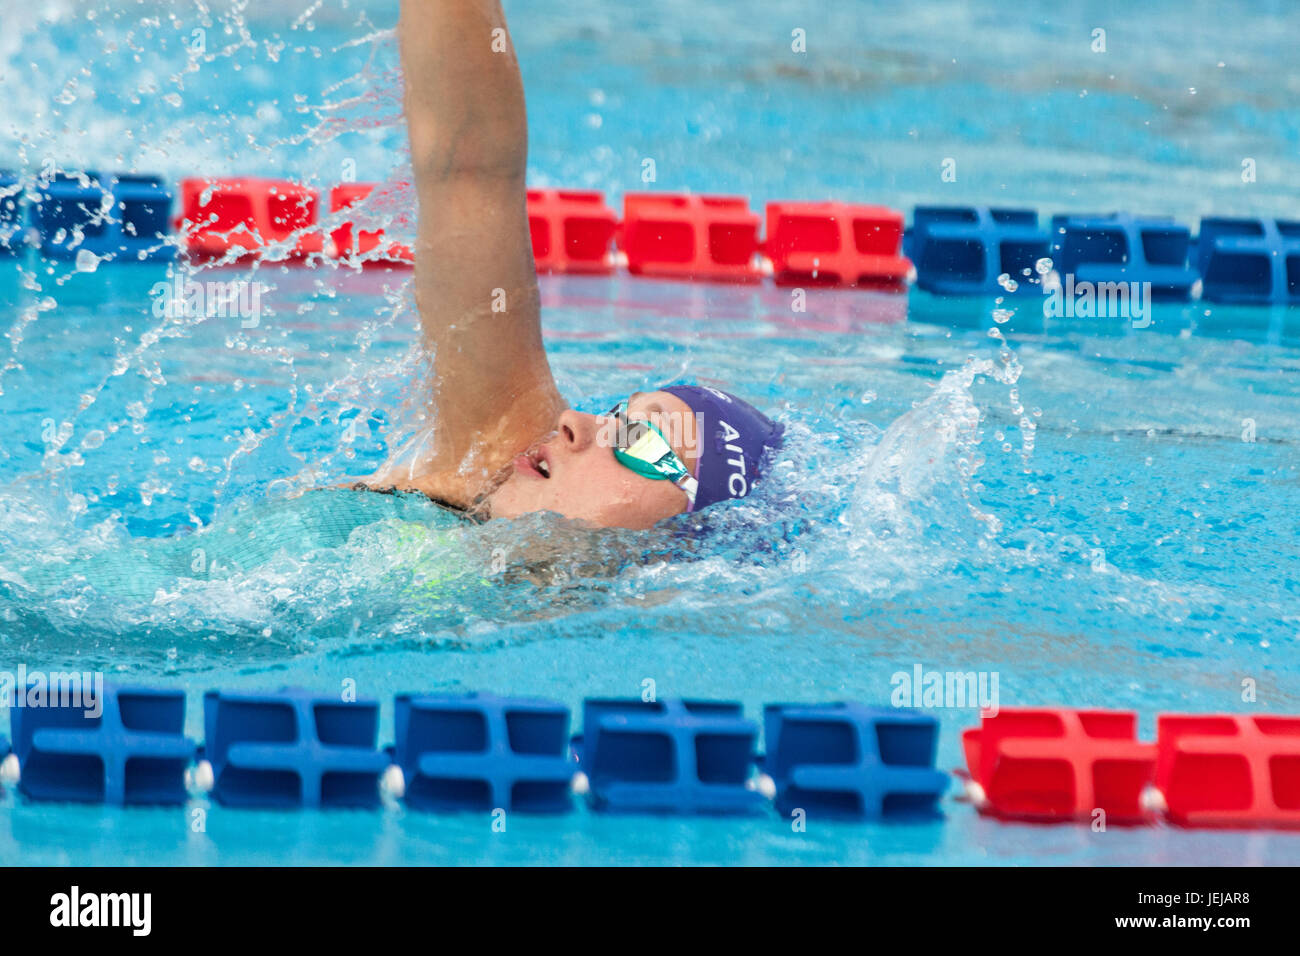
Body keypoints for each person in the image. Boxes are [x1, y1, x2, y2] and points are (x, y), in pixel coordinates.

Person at [364, 0, 785, 531]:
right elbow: (468, 168)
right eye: (616, 419)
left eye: (639, 442)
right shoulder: (487, 463)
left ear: (688, 536)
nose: (573, 423)